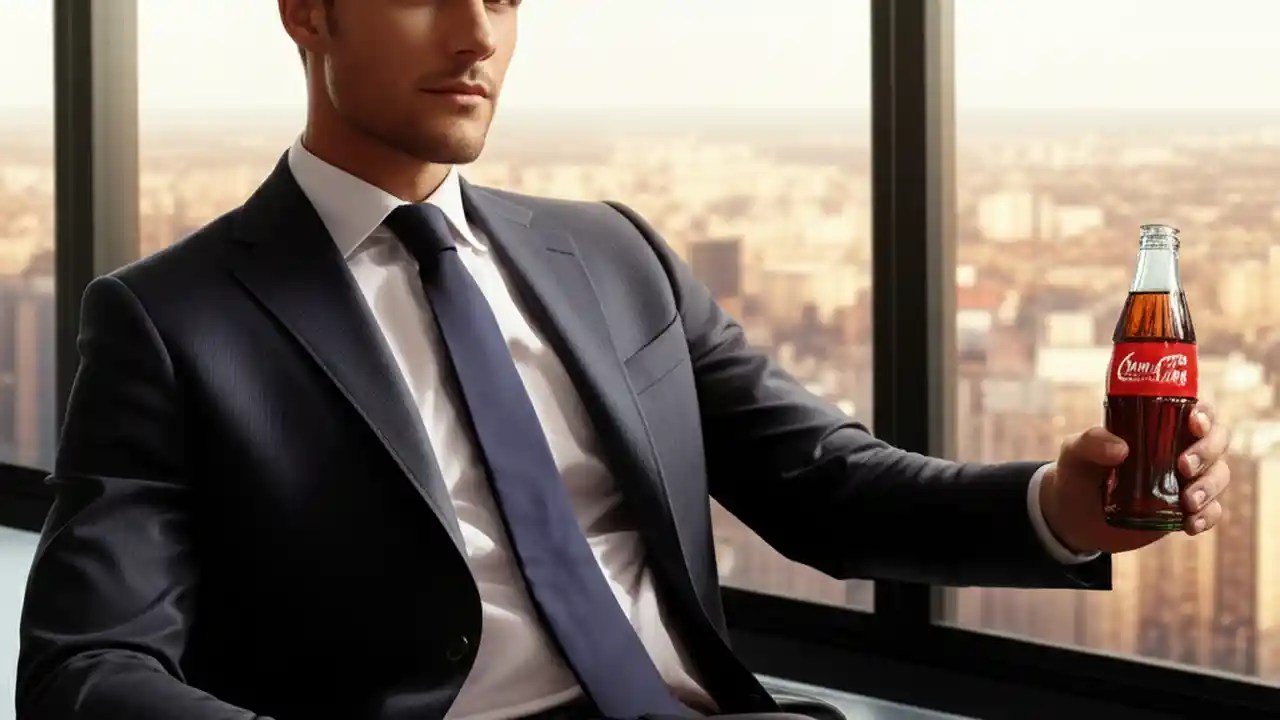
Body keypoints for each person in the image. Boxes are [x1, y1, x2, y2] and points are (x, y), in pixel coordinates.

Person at [16, 1, 1233, 719]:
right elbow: (88, 666)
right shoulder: (170, 321)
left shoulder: (610, 253)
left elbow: (826, 485)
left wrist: (1059, 510)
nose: (475, 31)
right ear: (306, 7)